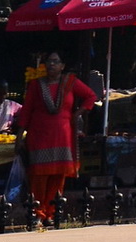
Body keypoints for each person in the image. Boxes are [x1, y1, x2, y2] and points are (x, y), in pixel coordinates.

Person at [13, 51, 97, 224]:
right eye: (49, 61)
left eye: (55, 61)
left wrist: (78, 113)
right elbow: (26, 110)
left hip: (62, 136)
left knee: (58, 175)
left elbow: (91, 96)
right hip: (39, 136)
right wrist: (19, 136)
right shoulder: (36, 85)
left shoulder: (70, 82)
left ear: (62, 66)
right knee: (38, 175)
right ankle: (37, 212)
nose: (51, 64)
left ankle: (50, 212)